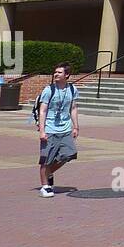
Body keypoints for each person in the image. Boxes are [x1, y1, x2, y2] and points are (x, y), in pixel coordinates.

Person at [36, 64, 79, 197]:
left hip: (65, 129)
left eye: (59, 72)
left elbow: (73, 108)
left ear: (67, 75)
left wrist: (76, 126)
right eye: (55, 72)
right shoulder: (49, 90)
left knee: (69, 154)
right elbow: (42, 111)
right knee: (46, 159)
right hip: (50, 129)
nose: (56, 74)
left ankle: (49, 172)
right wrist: (42, 131)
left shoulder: (72, 89)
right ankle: (45, 186)